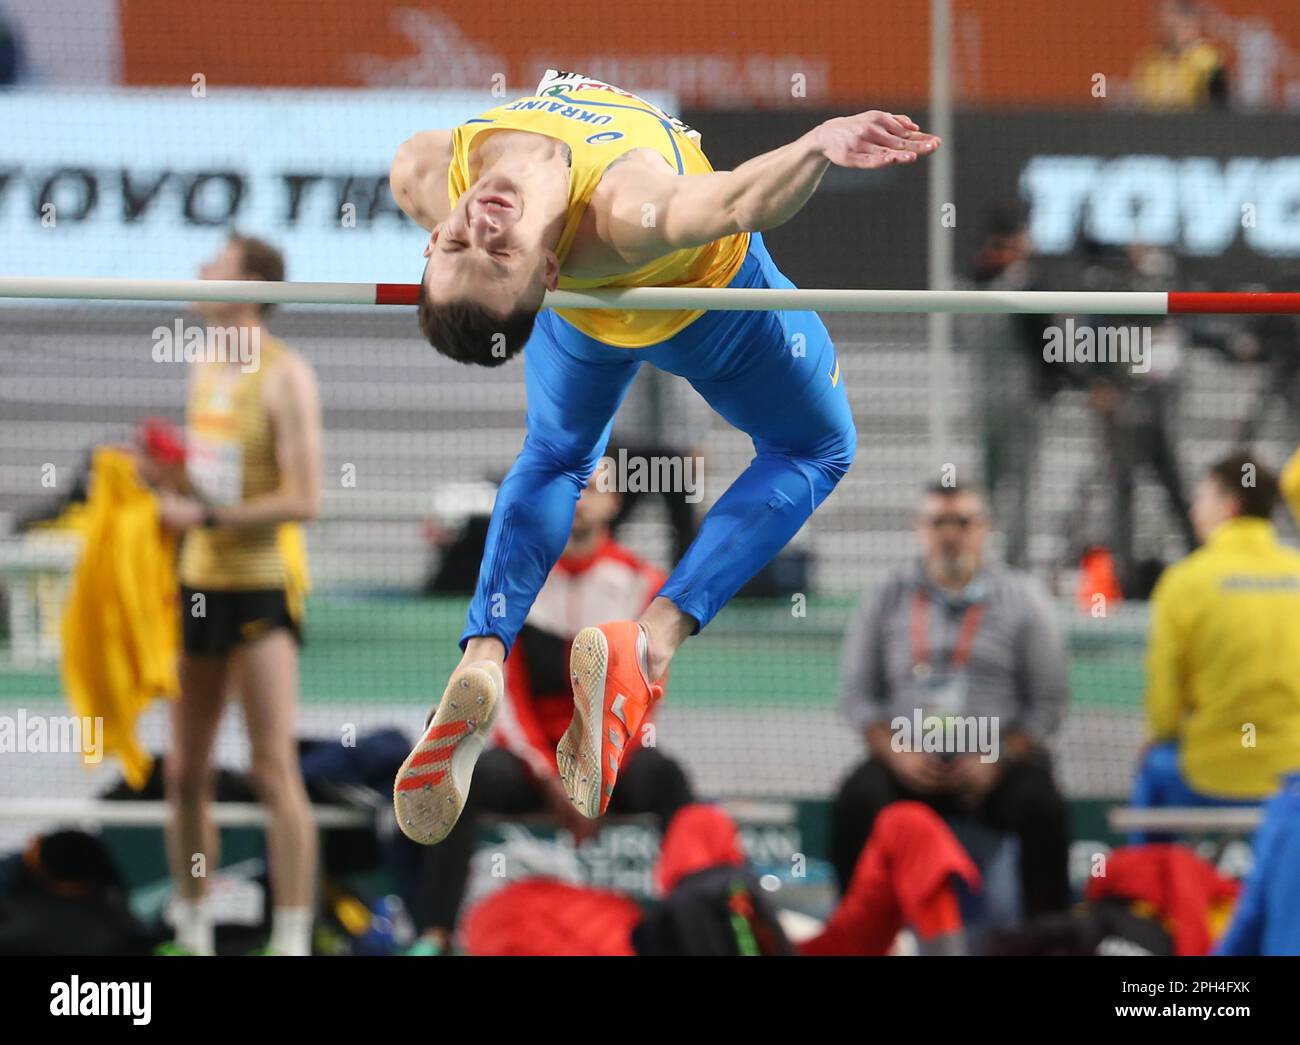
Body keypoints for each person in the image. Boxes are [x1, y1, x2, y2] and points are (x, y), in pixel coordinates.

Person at [389, 68, 940, 843]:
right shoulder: (625, 209)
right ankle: (646, 643)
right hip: (705, 305)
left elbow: (458, 232)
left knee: (555, 454)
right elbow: (740, 201)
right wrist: (817, 144)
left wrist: (489, 271)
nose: (480, 225)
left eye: (457, 242)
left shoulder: (424, 170)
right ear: (544, 272)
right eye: (499, 251)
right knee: (817, 447)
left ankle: (481, 654)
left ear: (431, 233)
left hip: (580, 320)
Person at [413, 465, 693, 951]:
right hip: (533, 768)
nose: (580, 499)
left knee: (667, 776)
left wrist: (595, 778)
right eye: (571, 488)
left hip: (610, 765)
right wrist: (550, 776)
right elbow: (509, 698)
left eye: (592, 488)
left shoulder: (644, 585)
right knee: (466, 773)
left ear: (614, 502)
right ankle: (434, 934)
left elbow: (642, 701)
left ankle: (686, 931)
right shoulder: (519, 580)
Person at [155, 234, 323, 955]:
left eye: (215, 265)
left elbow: (305, 496)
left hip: (259, 586)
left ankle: (289, 936)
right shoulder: (201, 364)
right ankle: (192, 926)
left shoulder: (286, 376)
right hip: (198, 584)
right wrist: (167, 481)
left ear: (251, 283)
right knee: (184, 771)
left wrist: (210, 515)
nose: (199, 272)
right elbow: (209, 484)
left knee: (270, 766)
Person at [832, 482, 1071, 918]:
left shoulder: (1024, 598)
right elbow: (857, 697)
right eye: (938, 521)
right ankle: (858, 936)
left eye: (963, 521)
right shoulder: (884, 597)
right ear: (920, 529)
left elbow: (1048, 702)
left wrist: (996, 758)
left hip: (996, 766)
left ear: (983, 529)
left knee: (1042, 806)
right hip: (907, 764)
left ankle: (1047, 939)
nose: (950, 533)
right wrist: (896, 753)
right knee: (857, 798)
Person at [1132, 453, 1300, 832]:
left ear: (1229, 505)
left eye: (1201, 500)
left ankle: (1148, 886)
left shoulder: (1185, 581)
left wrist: (1161, 735)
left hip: (1210, 776)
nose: (1194, 512)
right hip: (1293, 776)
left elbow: (1164, 708)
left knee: (1152, 768)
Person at [1132, 0, 1228, 110]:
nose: (1165, 27)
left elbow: (1217, 108)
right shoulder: (1150, 61)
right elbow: (1142, 105)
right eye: (1161, 19)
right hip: (1155, 126)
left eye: (1173, 21)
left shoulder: (1208, 61)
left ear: (1188, 21)